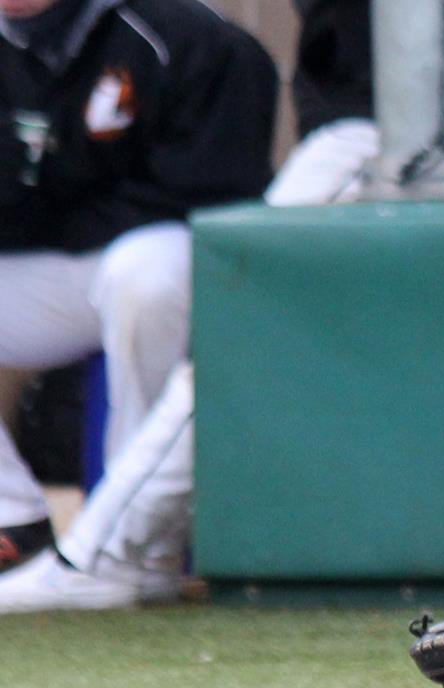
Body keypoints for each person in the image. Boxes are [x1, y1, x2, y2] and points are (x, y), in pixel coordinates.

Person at [0, 0, 444, 611]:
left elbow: (205, 182)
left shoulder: (173, 35)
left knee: (230, 311)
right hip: (365, 122)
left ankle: (114, 555)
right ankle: (19, 525)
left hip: (401, 131)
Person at [0, 0, 275, 577]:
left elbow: (216, 192)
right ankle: (13, 520)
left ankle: (139, 540)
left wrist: (51, 212)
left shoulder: (177, 31)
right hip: (55, 264)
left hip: (165, 252)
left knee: (143, 278)